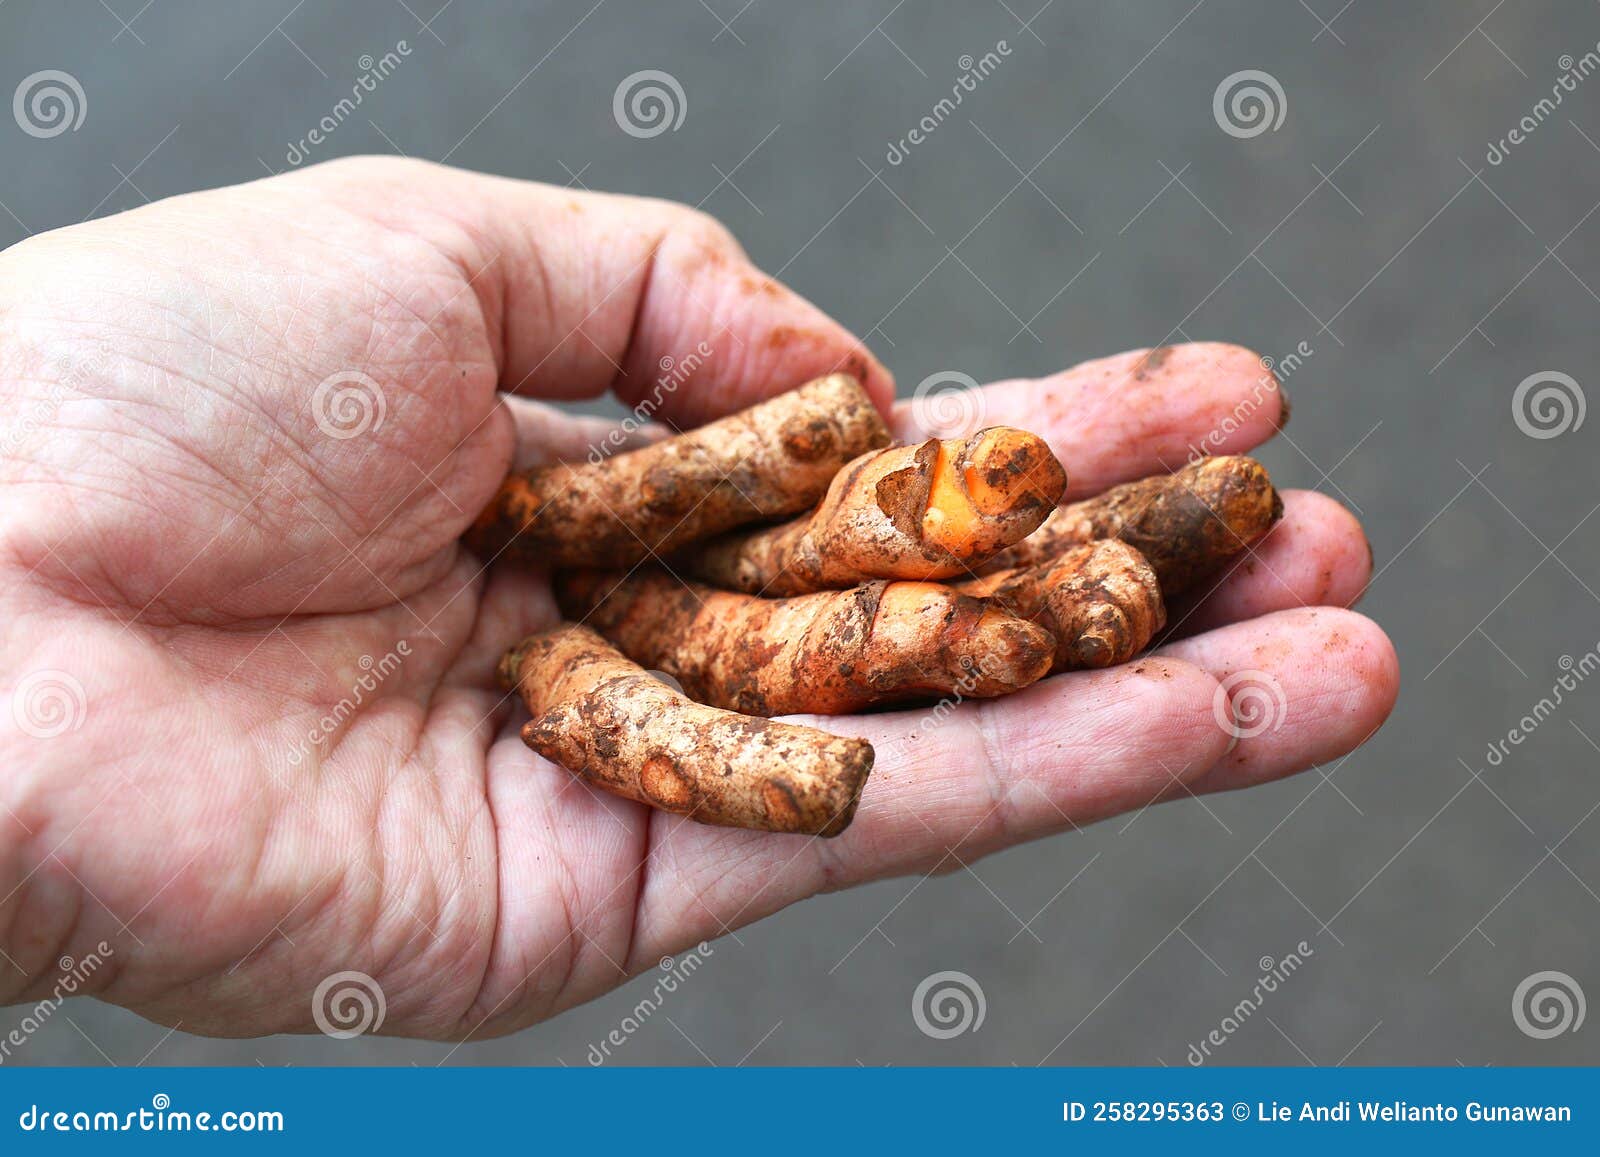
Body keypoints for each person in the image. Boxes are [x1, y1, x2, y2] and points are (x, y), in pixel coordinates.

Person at [0, 158, 1397, 1041]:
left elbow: (795, 570)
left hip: (689, 610)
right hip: (631, 622)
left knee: (919, 585)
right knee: (818, 574)